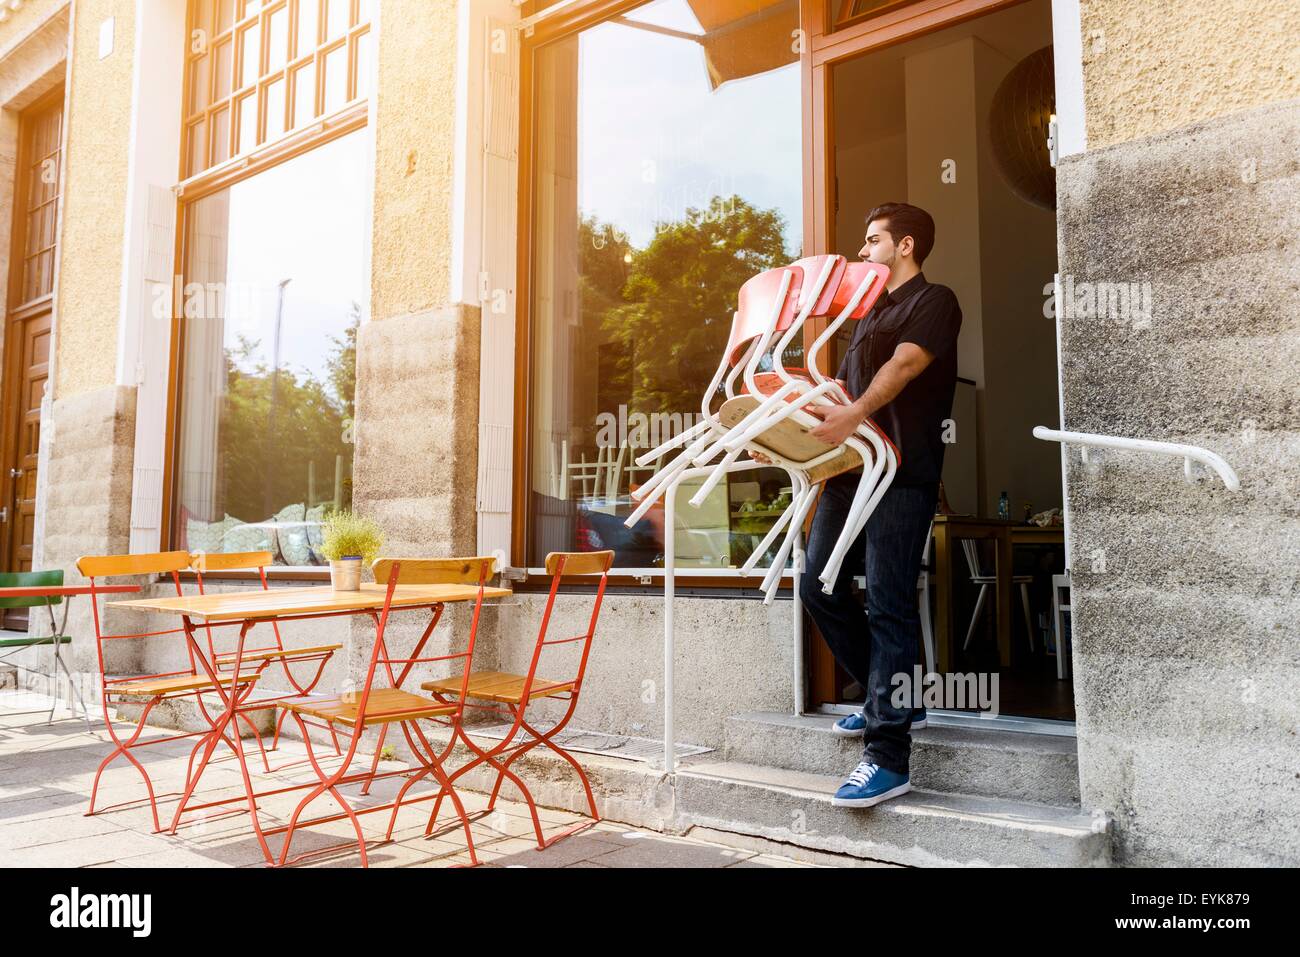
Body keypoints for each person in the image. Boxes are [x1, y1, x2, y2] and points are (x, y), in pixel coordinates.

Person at [772, 202, 962, 808]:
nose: (863, 250)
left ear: (906, 246)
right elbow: (846, 390)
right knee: (818, 587)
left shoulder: (934, 302)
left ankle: (887, 754)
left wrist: (856, 409)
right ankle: (894, 696)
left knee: (888, 603)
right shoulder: (867, 313)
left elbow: (906, 365)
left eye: (873, 239)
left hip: (901, 472)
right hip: (851, 469)